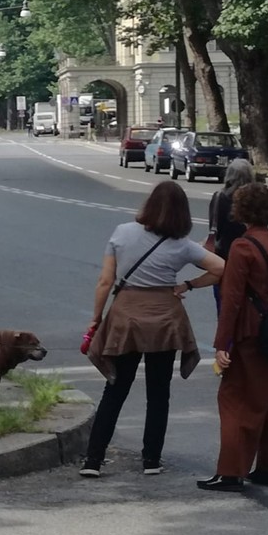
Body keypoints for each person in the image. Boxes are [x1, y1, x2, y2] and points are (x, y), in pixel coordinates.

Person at [78, 181, 224, 478]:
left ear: (149, 205)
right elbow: (221, 268)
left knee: (116, 388)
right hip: (165, 320)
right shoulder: (183, 245)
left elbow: (105, 282)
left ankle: (93, 460)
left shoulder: (122, 233)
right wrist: (187, 285)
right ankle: (151, 460)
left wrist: (96, 318)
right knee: (159, 392)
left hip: (126, 317)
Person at [197, 183, 268, 492]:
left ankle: (230, 471)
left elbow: (232, 299)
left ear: (241, 211)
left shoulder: (242, 246)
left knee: (234, 399)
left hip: (248, 334)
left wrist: (222, 344)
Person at [206, 159, 254, 312]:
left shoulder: (219, 197)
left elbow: (214, 227)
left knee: (224, 304)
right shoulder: (255, 198)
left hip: (224, 256)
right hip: (250, 257)